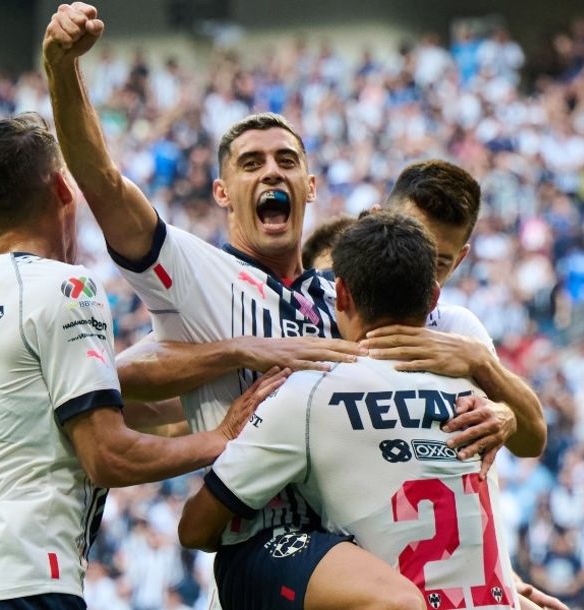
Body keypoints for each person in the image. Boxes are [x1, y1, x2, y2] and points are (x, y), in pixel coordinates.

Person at [42, 5, 551, 609]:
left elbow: (445, 417)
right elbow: (103, 185)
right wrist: (62, 68)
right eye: (251, 163)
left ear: (310, 186)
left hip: (351, 559)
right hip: (262, 549)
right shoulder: (198, 275)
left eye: (287, 160)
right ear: (222, 191)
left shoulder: (346, 298)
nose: (271, 171)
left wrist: (502, 428)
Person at [0, 114, 287, 610]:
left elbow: (79, 417)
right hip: (22, 583)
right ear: (62, 189)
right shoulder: (65, 286)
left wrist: (224, 377)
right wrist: (219, 438)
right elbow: (108, 455)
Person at [179, 212, 522, 609]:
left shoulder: (309, 392)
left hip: (396, 602)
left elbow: (195, 529)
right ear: (433, 297)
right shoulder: (478, 392)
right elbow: (533, 436)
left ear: (340, 294)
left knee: (247, 557)